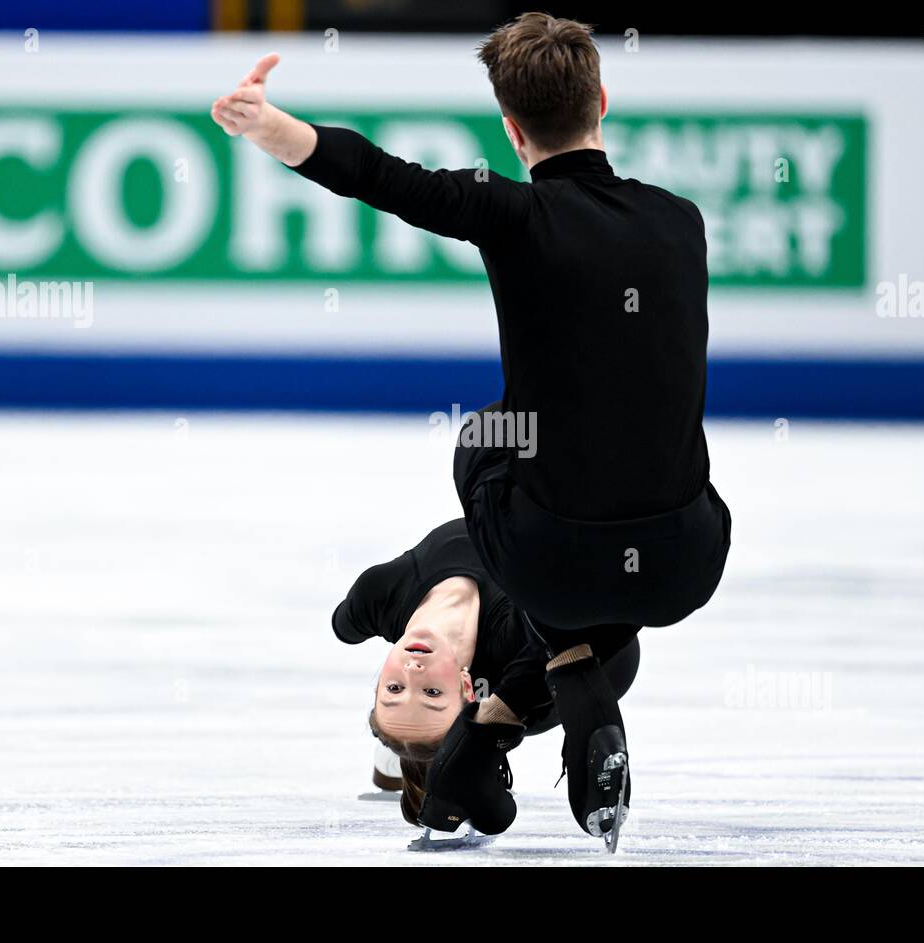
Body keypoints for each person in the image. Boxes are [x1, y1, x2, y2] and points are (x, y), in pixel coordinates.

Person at [211, 12, 731, 845]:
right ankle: (513, 713)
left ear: (510, 129)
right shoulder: (682, 221)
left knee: (488, 436)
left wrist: (269, 126)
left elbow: (383, 177)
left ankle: (564, 661)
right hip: (689, 562)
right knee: (634, 458)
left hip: (558, 571)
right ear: (602, 100)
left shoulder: (511, 214)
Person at [331, 519, 639, 829]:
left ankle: (419, 748)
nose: (412, 672)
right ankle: (460, 755)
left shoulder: (375, 599)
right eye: (432, 693)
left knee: (418, 737)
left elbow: (342, 626)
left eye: (394, 689)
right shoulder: (512, 640)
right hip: (604, 663)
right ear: (467, 688)